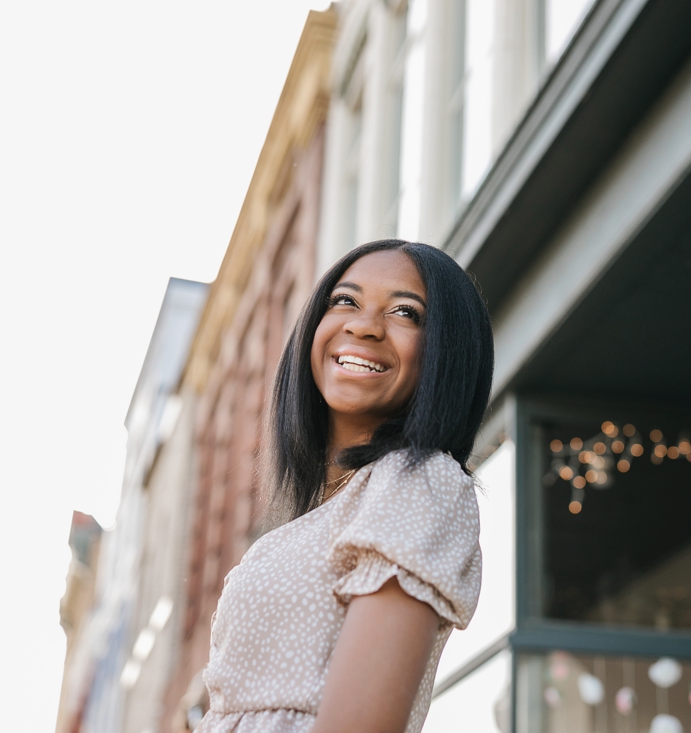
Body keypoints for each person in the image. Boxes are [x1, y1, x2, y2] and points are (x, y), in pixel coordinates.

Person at [196, 239, 495, 733]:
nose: (362, 325)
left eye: (405, 312)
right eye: (345, 301)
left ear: (448, 353)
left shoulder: (422, 481)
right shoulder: (293, 530)